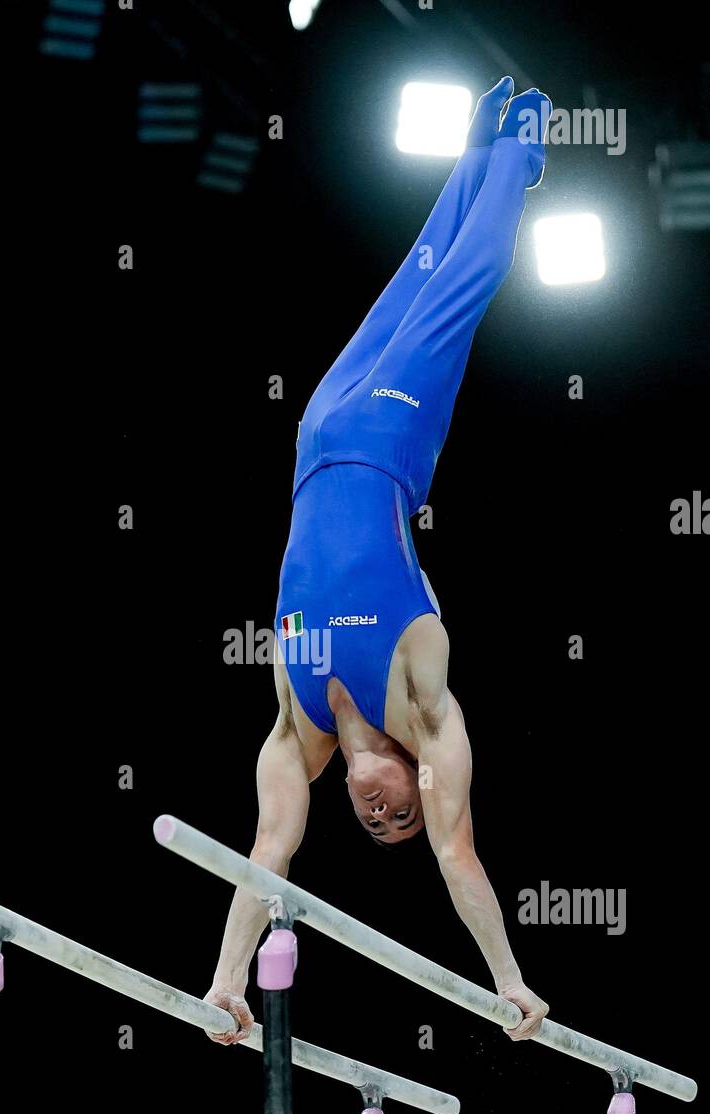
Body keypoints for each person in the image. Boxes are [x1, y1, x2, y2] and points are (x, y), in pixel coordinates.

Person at [206, 80, 552, 1046]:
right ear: (414, 776)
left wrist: (227, 980)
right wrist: (508, 982)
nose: (382, 817)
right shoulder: (424, 706)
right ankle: (520, 146)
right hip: (394, 445)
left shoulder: (294, 731)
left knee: (417, 267)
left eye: (376, 828)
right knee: (458, 287)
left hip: (318, 434)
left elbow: (267, 854)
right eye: (401, 815)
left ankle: (479, 138)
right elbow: (459, 858)